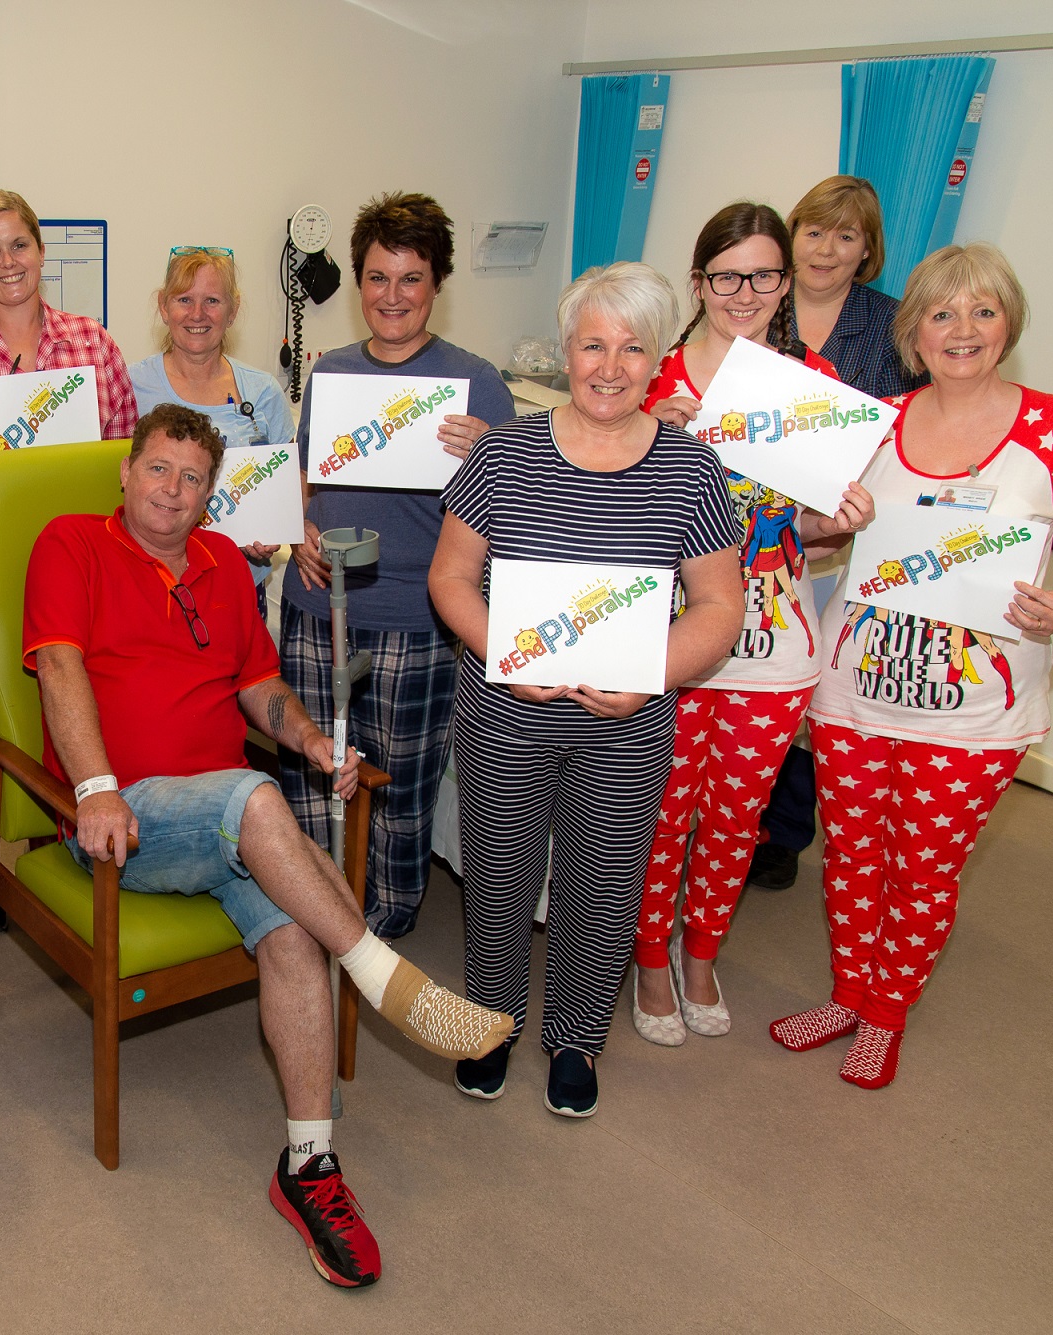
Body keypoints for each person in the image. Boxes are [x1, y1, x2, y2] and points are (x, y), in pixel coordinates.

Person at [26, 401, 516, 1288]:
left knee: (293, 930)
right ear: (127, 472)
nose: (172, 492)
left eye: (193, 480)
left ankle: (309, 1165)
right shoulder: (71, 543)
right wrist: (94, 788)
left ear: (212, 497)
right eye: (158, 470)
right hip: (128, 817)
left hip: (227, 819)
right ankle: (379, 971)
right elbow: (58, 665)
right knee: (257, 799)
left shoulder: (218, 563)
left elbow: (257, 686)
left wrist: (313, 740)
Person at [772, 243, 1053, 1088]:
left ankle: (886, 1014)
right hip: (856, 695)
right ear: (913, 331)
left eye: (984, 311)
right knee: (851, 856)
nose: (963, 330)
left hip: (974, 712)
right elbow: (808, 534)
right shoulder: (875, 423)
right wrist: (830, 519)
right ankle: (849, 992)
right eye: (942, 312)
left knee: (923, 868)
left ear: (1010, 324)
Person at [429, 262, 745, 1116]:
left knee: (602, 883)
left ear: (656, 359)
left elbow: (719, 605)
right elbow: (452, 579)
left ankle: (576, 1035)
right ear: (565, 349)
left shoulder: (690, 471)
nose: (610, 366)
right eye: (593, 344)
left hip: (628, 723)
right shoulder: (503, 452)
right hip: (505, 712)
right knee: (497, 875)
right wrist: (511, 656)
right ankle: (490, 1022)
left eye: (632, 347)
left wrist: (650, 674)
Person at [631, 203, 874, 1046]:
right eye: (727, 275)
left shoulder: (816, 389)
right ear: (698, 283)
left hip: (775, 642)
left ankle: (702, 952)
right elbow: (608, 517)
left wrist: (839, 515)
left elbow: (800, 529)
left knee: (737, 817)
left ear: (785, 282)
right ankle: (650, 960)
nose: (746, 292)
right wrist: (644, 445)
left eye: (764, 274)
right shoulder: (649, 378)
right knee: (664, 812)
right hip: (672, 634)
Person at [282, 191, 516, 941]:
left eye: (410, 279)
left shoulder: (476, 383)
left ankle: (384, 917)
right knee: (317, 770)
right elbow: (305, 483)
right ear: (358, 284)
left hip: (419, 615)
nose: (392, 296)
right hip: (321, 604)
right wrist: (300, 533)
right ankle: (314, 904)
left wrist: (492, 452)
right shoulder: (332, 375)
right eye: (378, 278)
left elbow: (513, 515)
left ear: (436, 285)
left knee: (401, 786)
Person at [0, 188, 137, 932]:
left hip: (76, 560)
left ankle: (69, 844)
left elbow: (124, 455)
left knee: (74, 695)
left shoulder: (92, 342)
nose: (7, 261)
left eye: (19, 244)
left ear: (41, 252)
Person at [750, 175, 930, 893]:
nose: (826, 249)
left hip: (847, 543)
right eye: (815, 232)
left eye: (846, 236)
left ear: (868, 251)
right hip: (754, 537)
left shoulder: (892, 327)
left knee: (808, 692)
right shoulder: (757, 304)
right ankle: (735, 815)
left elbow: (920, 426)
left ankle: (786, 830)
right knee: (754, 681)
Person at [130, 246, 297, 593]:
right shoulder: (129, 387)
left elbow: (289, 491)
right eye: (184, 300)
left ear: (233, 310)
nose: (197, 314)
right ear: (164, 306)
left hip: (238, 586)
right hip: (148, 586)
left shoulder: (263, 392)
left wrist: (271, 531)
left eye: (212, 301)